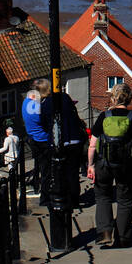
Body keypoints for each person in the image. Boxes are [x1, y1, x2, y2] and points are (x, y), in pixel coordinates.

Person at [87, 85, 132, 248]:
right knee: (125, 200)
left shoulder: (103, 117)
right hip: (126, 165)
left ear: (112, 98)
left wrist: (90, 165)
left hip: (103, 163)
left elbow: (92, 145)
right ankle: (123, 237)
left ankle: (105, 232)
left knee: (103, 197)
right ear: (129, 99)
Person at [41, 78, 88, 213]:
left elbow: (44, 124)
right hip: (74, 140)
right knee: (73, 172)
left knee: (58, 171)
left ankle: (61, 198)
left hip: (58, 143)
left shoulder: (46, 104)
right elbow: (74, 114)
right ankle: (74, 200)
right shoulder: (65, 97)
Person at [21, 82, 51, 202]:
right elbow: (45, 122)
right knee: (46, 170)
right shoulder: (40, 107)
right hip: (43, 139)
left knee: (38, 165)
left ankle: (36, 186)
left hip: (32, 138)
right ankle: (45, 197)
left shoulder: (26, 102)